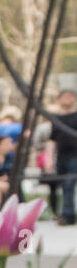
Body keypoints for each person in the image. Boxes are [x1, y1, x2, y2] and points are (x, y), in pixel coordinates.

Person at [53, 87, 77, 225]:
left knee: (68, 184)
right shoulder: (56, 118)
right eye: (64, 96)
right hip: (61, 156)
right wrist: (49, 158)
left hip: (75, 156)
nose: (67, 99)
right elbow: (52, 139)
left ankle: (67, 216)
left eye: (70, 96)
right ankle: (66, 214)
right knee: (63, 185)